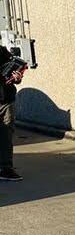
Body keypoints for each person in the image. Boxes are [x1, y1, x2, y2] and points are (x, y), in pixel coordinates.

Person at [0, 43, 22, 182]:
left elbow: (12, 76)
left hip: (6, 100)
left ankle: (6, 168)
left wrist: (17, 78)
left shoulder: (3, 52)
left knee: (6, 136)